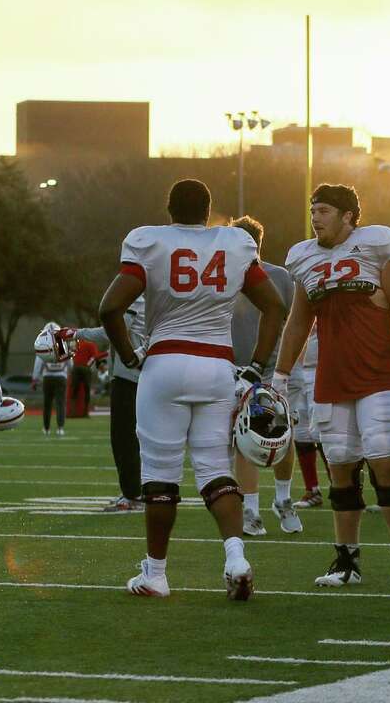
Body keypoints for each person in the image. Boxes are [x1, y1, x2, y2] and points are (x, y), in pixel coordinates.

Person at [98, 179, 286, 600]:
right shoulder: (234, 243)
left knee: (160, 475)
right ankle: (236, 557)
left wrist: (129, 357)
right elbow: (274, 305)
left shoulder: (150, 242)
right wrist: (255, 365)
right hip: (216, 366)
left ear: (169, 211)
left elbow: (110, 307)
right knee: (215, 469)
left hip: (164, 363)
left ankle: (156, 573)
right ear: (208, 211)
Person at [274, 183, 390, 590]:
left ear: (348, 216)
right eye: (313, 211)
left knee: (385, 464)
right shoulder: (304, 258)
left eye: (324, 211)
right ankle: (346, 559)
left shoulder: (377, 246)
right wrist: (280, 372)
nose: (316, 218)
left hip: (378, 374)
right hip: (330, 378)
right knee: (340, 469)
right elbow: (298, 321)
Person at [229, 215, 303, 537]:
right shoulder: (221, 273)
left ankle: (283, 498)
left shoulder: (279, 276)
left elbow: (293, 322)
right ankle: (250, 508)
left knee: (284, 434)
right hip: (235, 367)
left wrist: (285, 368)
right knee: (244, 437)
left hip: (273, 368)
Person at [71, 298, 148, 512]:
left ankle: (133, 495)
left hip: (130, 375)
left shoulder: (138, 296)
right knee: (131, 437)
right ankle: (136, 491)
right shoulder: (147, 294)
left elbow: (113, 329)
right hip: (133, 374)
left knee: (124, 438)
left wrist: (76, 333)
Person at [291, 333, 327, 508]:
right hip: (297, 371)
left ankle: (340, 486)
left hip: (322, 368)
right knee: (301, 434)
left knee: (322, 433)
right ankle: (312, 489)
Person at [31, 346, 71, 436]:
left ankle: (46, 428)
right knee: (60, 404)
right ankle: (60, 428)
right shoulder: (63, 345)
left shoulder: (44, 345)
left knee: (47, 404)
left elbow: (38, 363)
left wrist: (35, 379)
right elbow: (70, 362)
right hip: (61, 377)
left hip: (47, 377)